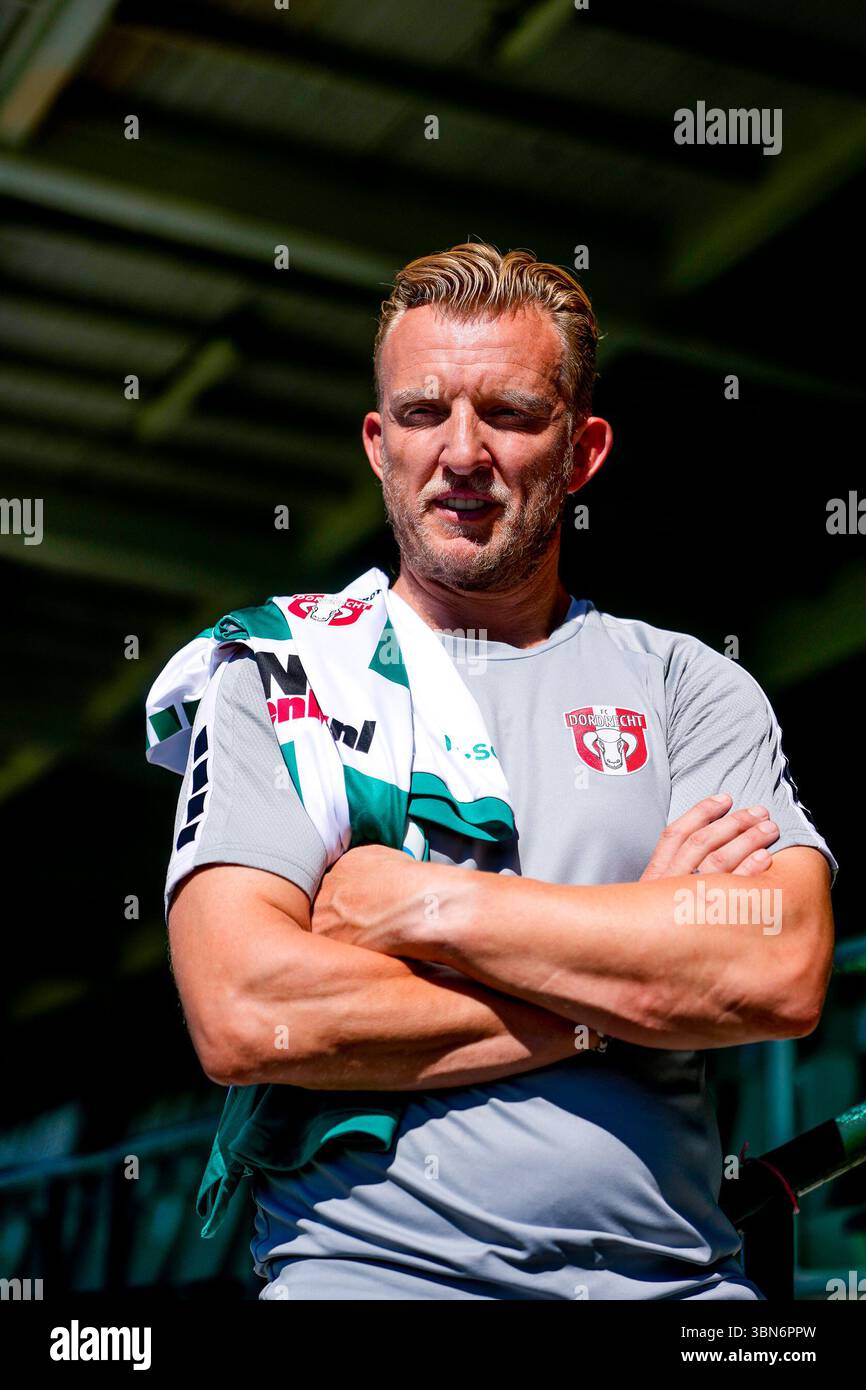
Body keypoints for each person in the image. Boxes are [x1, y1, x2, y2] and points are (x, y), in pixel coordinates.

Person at [164, 243, 836, 1300]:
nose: (463, 453)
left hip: (683, 1288)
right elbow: (248, 1014)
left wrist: (425, 904)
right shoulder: (273, 677)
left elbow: (777, 968)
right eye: (424, 413)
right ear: (378, 444)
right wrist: (636, 958)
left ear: (582, 451)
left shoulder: (689, 687)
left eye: (513, 414)